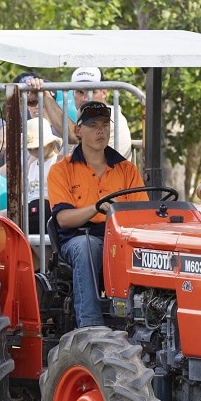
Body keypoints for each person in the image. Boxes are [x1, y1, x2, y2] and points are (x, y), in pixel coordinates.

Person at [48, 101, 144, 327]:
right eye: (92, 125)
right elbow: (62, 219)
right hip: (78, 237)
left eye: (104, 125)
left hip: (120, 238)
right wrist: (96, 208)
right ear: (78, 131)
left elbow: (141, 217)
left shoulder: (127, 169)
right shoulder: (61, 170)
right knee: (86, 246)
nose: (100, 131)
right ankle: (90, 327)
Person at [70, 67, 133, 159]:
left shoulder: (114, 120)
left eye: (92, 92)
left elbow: (100, 165)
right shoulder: (80, 120)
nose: (85, 99)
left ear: (104, 92)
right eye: (79, 92)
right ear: (73, 94)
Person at [25, 116, 62, 234]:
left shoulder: (56, 162)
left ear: (50, 143)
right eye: (30, 149)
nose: (34, 152)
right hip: (31, 207)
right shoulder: (32, 165)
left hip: (48, 207)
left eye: (38, 147)